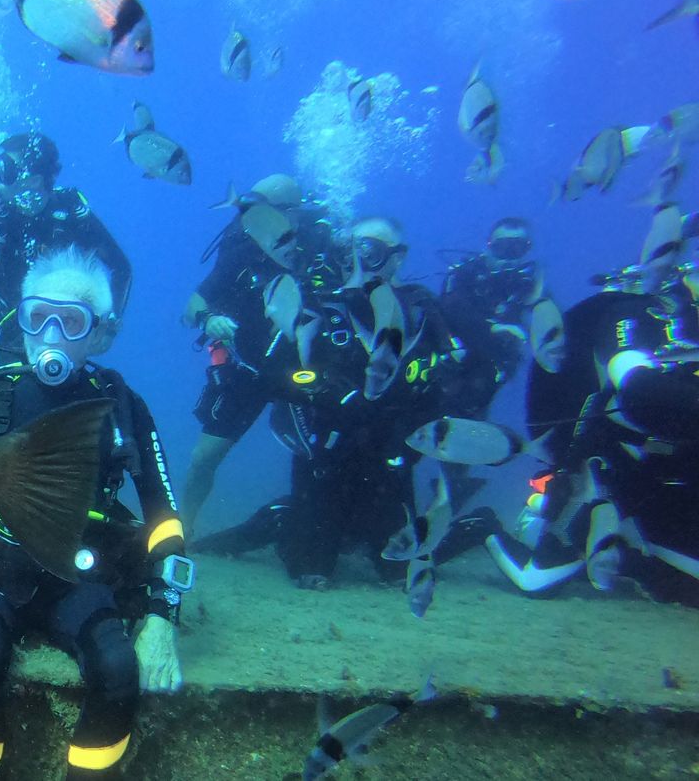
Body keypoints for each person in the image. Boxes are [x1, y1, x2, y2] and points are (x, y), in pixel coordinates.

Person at [0, 246, 186, 780]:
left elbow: (164, 515)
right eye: (37, 317)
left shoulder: (121, 407)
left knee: (118, 670)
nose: (51, 335)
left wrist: (163, 615)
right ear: (18, 322)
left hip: (81, 578)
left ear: (101, 334)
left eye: (72, 321)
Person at [210, 218, 460, 589]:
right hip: (325, 460)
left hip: (389, 463)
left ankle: (362, 528)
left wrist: (413, 432)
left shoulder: (421, 311)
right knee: (311, 571)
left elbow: (447, 383)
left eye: (370, 251)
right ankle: (282, 518)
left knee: (398, 569)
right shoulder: (319, 305)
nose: (355, 261)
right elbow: (275, 373)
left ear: (398, 257)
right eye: (347, 251)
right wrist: (329, 393)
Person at [498, 251, 699, 606]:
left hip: (675, 473)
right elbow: (634, 384)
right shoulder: (636, 314)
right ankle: (505, 523)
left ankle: (629, 554)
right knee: (537, 580)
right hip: (616, 464)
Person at [177, 174, 343, 529]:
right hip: (248, 369)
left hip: (308, 369)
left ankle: (329, 525)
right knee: (204, 458)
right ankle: (183, 529)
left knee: (327, 450)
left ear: (295, 213)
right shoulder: (240, 246)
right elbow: (192, 307)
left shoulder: (322, 246)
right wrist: (208, 319)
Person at [0, 133, 132, 348]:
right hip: (13, 327)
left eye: (5, 171)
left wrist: (109, 329)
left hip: (66, 328)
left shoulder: (73, 217)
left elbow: (121, 268)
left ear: (33, 180)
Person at [439, 217, 545, 420]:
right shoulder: (466, 274)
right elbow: (451, 310)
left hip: (490, 374)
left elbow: (548, 322)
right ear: (488, 246)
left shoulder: (528, 286)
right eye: (502, 248)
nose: (508, 257)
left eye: (516, 249)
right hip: (452, 365)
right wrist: (491, 329)